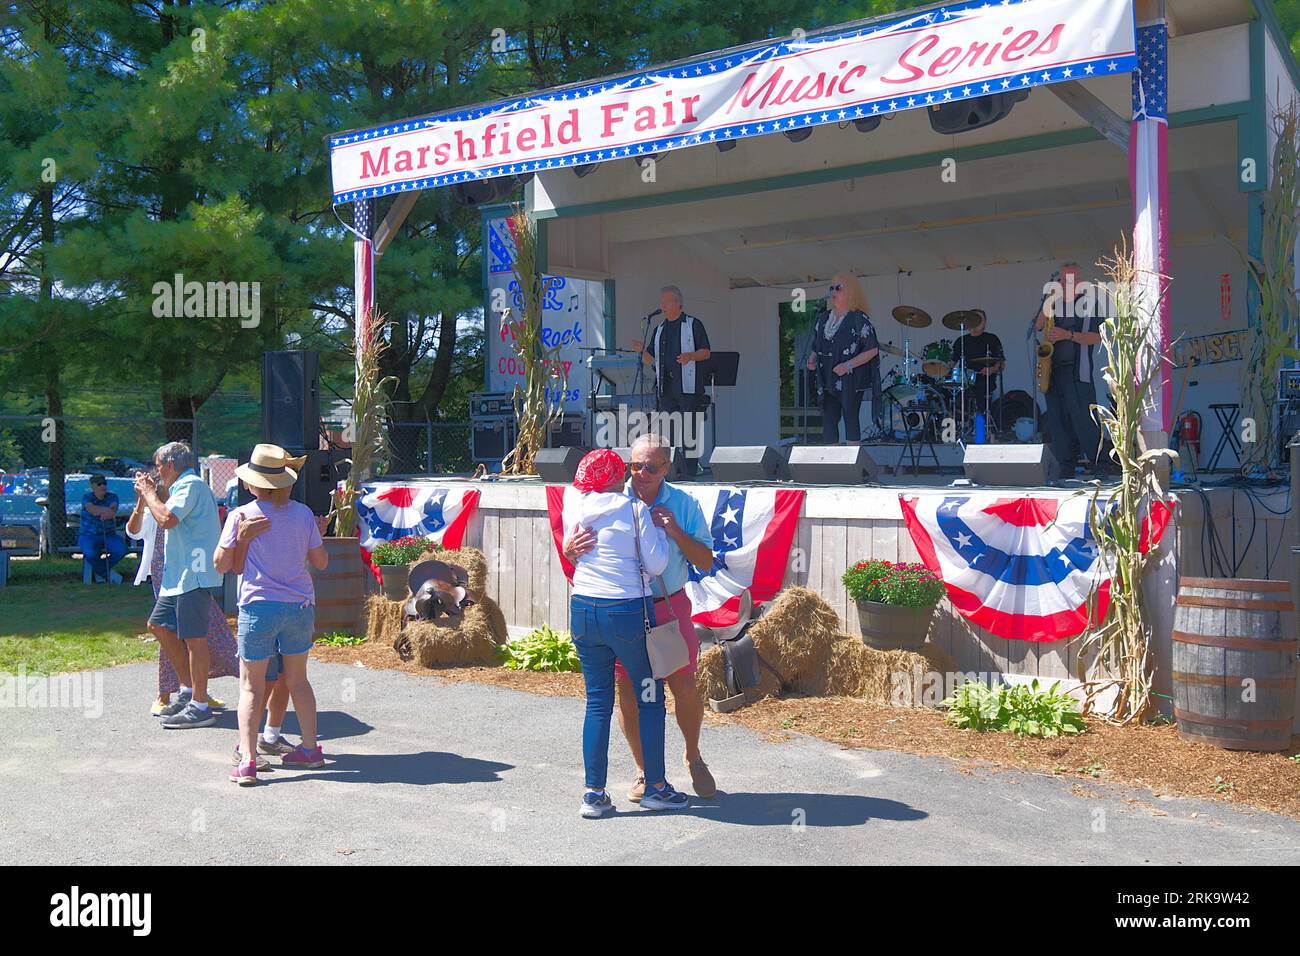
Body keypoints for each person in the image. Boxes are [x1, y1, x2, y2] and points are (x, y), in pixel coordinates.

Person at [564, 434, 716, 803]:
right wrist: (569, 551)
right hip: (629, 612)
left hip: (667, 606)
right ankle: (645, 773)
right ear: (625, 467)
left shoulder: (683, 503)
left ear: (667, 468)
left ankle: (693, 756)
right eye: (635, 465)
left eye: (651, 467)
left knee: (683, 686)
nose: (641, 473)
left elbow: (707, 562)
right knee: (630, 693)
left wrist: (675, 532)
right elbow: (578, 556)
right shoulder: (610, 497)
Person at [215, 444, 329, 786]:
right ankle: (310, 750)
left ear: (252, 485)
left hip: (258, 607)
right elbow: (321, 562)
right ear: (286, 484)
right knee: (298, 680)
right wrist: (316, 537)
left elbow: (221, 565)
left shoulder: (241, 516)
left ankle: (249, 761)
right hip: (298, 607)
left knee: (250, 687)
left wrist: (241, 542)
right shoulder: (303, 515)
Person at [135, 442, 225, 729]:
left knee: (195, 639)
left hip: (193, 576)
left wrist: (149, 493)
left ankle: (199, 706)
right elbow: (164, 513)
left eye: (159, 466)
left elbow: (167, 519)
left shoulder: (191, 485)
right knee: (158, 626)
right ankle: (188, 691)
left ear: (171, 465)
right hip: (178, 578)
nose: (157, 472)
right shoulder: (183, 487)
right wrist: (152, 494)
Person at [126, 497, 236, 718]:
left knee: (203, 633)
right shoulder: (155, 513)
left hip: (191, 578)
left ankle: (196, 691)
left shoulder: (184, 510)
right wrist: (141, 502)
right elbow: (133, 532)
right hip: (168, 578)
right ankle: (166, 695)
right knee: (172, 631)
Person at [631, 286, 711, 477]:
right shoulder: (659, 330)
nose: (663, 306)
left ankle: (691, 471)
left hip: (688, 387)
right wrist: (642, 351)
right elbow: (653, 360)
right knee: (668, 432)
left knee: (690, 431)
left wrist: (690, 356)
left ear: (678, 303)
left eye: (666, 302)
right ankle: (672, 470)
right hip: (666, 388)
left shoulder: (692, 324)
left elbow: (706, 352)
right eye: (662, 302)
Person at [1035, 261, 1103, 474]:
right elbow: (1037, 326)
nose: (1063, 283)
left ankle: (1097, 462)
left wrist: (1068, 335)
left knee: (1083, 417)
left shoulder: (1089, 303)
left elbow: (1097, 337)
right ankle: (1066, 464)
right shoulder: (1053, 302)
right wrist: (1048, 302)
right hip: (1053, 369)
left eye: (1068, 280)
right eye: (1061, 280)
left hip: (1076, 370)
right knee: (1057, 418)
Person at [806, 273, 881, 444]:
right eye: (831, 288)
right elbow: (817, 345)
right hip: (827, 380)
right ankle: (832, 464)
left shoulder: (858, 318)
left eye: (838, 288)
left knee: (850, 418)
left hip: (851, 381)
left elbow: (872, 349)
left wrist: (848, 365)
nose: (834, 291)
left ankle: (851, 464)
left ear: (850, 292)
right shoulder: (824, 318)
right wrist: (812, 359)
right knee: (829, 422)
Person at [951, 309, 1006, 421]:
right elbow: (951, 363)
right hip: (964, 383)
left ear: (985, 322)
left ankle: (980, 429)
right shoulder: (961, 340)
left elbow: (1001, 364)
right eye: (973, 319)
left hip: (984, 383)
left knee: (980, 406)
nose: (976, 322)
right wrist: (937, 366)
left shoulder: (992, 339)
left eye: (979, 319)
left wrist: (992, 369)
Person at [78, 475, 127, 584]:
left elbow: (112, 510)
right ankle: (107, 574)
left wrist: (106, 512)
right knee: (90, 554)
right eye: (99, 484)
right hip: (88, 535)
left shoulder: (112, 497)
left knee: (121, 549)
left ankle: (99, 570)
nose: (102, 486)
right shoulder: (87, 497)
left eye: (104, 484)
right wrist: (106, 511)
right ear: (92, 486)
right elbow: (92, 509)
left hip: (109, 534)